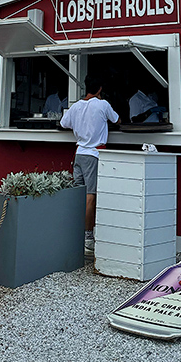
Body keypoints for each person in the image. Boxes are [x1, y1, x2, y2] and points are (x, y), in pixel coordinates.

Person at [60, 76, 119, 256]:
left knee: (78, 195)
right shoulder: (103, 105)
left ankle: (75, 234)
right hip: (94, 154)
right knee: (90, 197)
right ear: (100, 89)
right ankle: (88, 237)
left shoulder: (76, 106)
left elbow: (63, 124)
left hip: (79, 153)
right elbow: (117, 120)